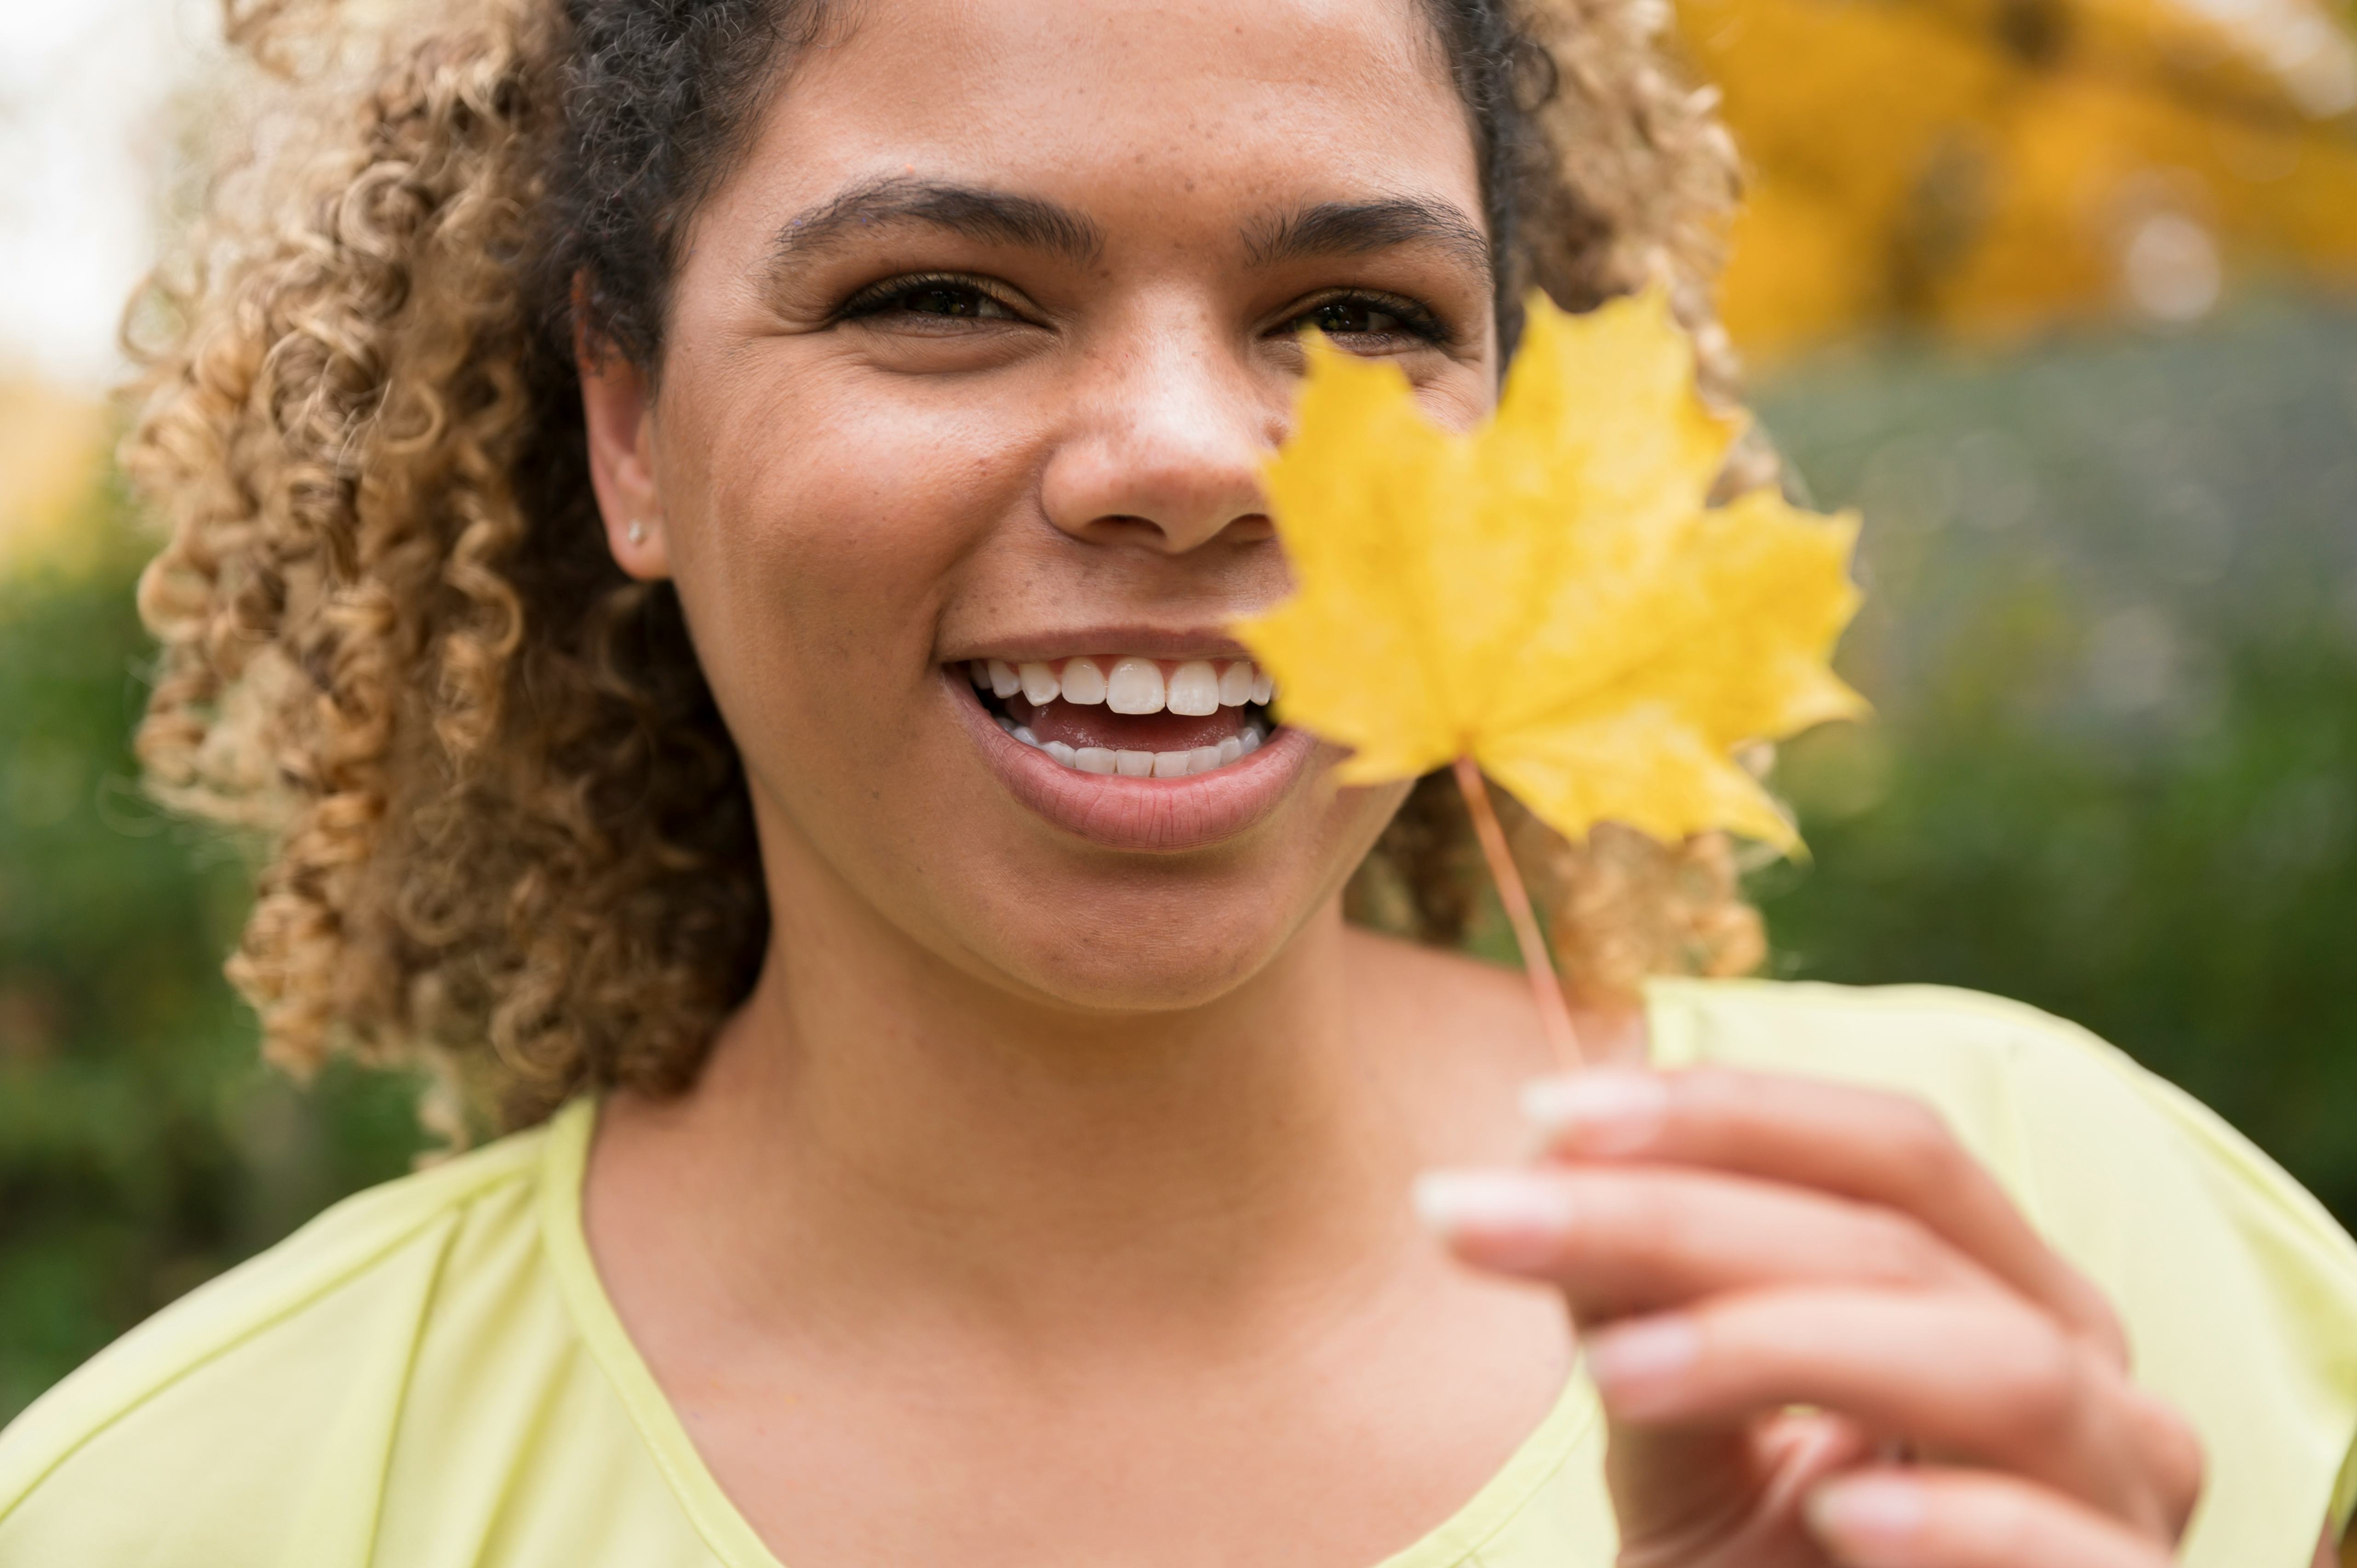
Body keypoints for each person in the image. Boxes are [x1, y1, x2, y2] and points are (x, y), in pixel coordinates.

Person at [3, 0, 2353, 1563]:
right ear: (625, 421)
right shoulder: (185, 1507)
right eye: (942, 291)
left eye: (1359, 319)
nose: (1181, 459)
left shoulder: (2065, 1247)